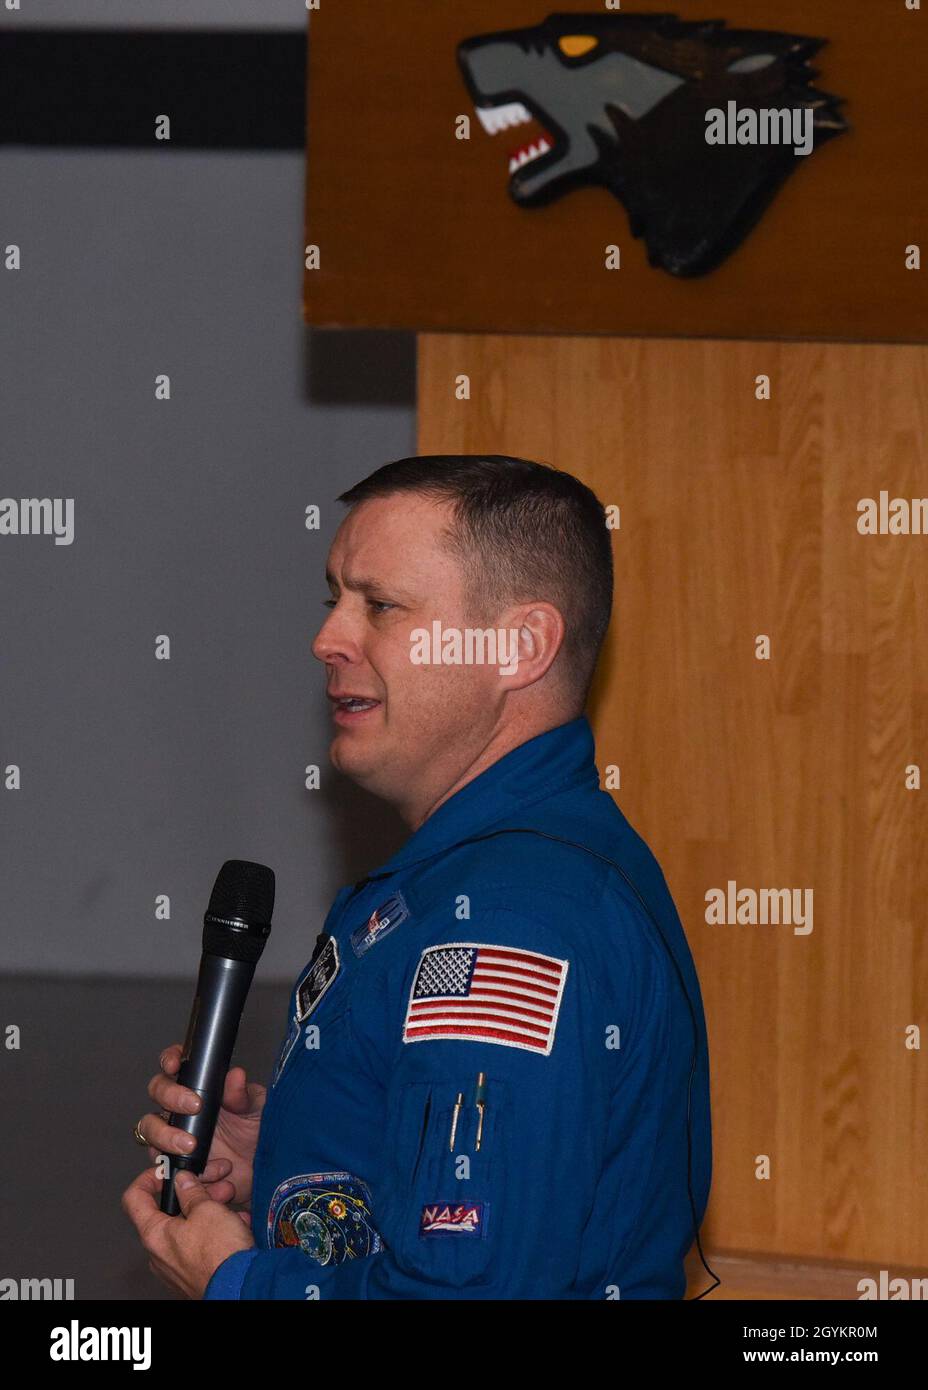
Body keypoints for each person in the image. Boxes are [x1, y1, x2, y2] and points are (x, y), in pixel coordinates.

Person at [122, 454, 712, 1299]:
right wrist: (300, 1158)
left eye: (381, 606)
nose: (327, 638)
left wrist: (241, 1283)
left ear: (520, 646)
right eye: (335, 599)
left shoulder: (510, 919)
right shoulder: (490, 866)